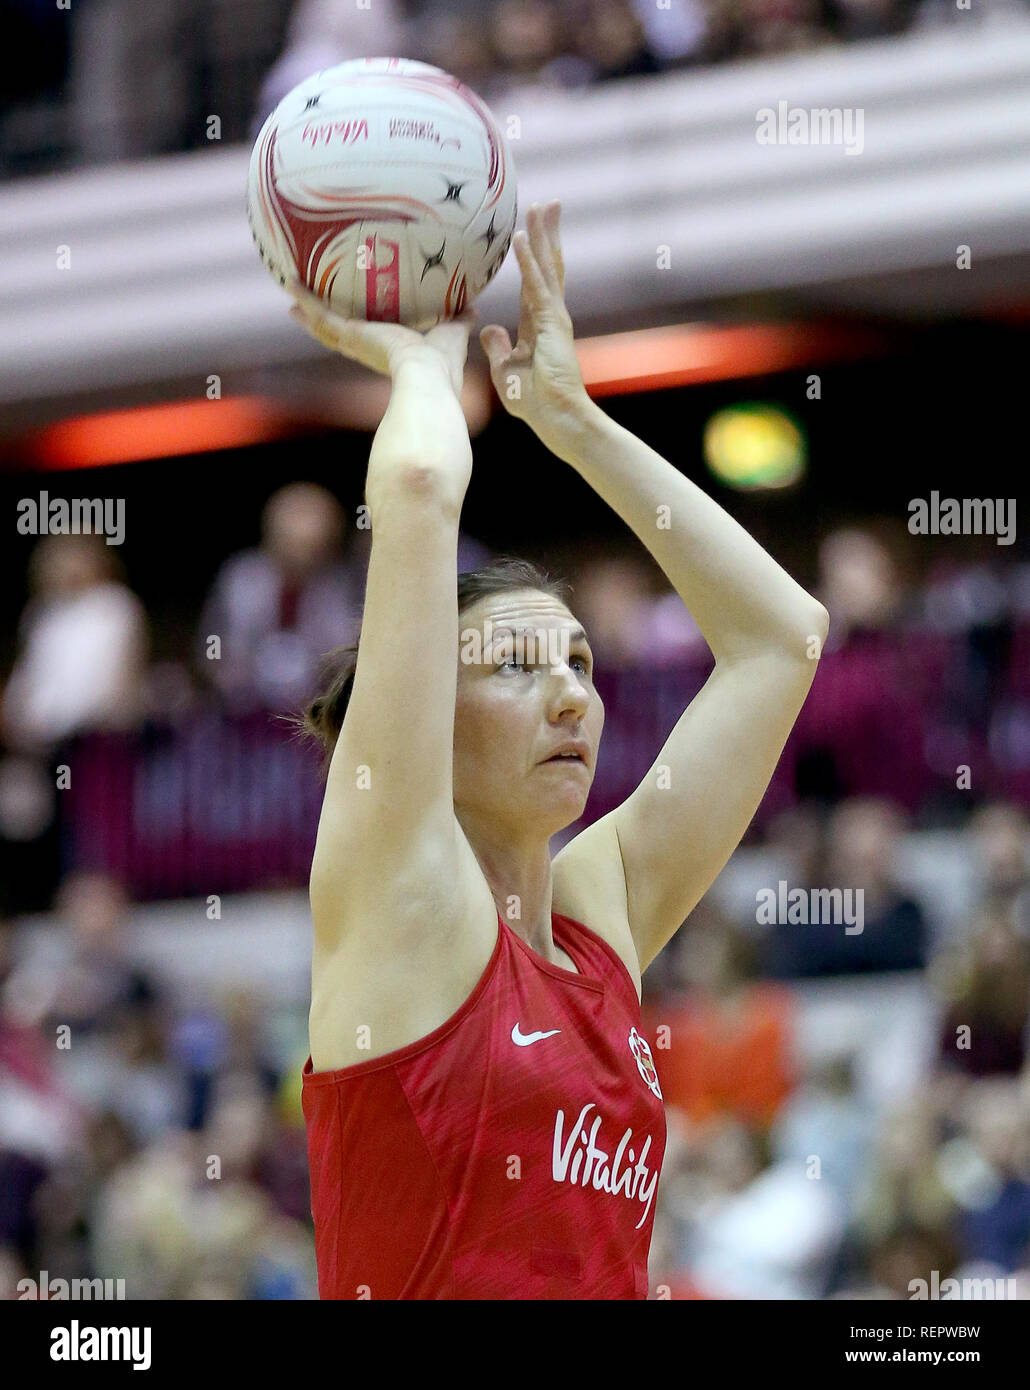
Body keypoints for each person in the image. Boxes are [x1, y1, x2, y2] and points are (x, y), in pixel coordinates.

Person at [287, 200, 828, 1299]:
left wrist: (574, 418)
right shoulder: (407, 893)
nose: (570, 695)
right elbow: (423, 490)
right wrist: (422, 364)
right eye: (516, 666)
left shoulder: (597, 918)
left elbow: (781, 640)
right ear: (425, 717)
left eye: (580, 663)